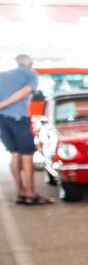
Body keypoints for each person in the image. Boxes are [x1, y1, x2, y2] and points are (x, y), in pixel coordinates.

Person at [0, 54, 51, 205]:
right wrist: (3, 104)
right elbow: (25, 92)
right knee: (27, 154)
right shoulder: (30, 73)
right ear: (30, 63)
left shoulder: (3, 75)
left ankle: (20, 192)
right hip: (18, 118)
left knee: (14, 154)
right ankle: (30, 193)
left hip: (2, 119)